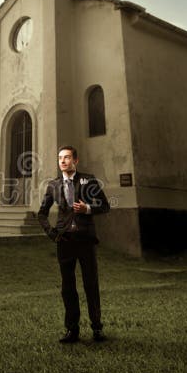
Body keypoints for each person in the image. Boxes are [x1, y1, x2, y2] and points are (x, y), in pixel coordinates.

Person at [37, 145, 111, 343]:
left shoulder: (89, 179)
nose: (62, 161)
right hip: (65, 242)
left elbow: (105, 205)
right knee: (67, 287)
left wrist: (88, 208)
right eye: (60, 157)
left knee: (91, 285)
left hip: (86, 240)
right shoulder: (53, 185)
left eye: (67, 157)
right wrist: (52, 234)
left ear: (75, 161)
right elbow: (42, 213)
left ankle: (97, 329)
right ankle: (72, 330)